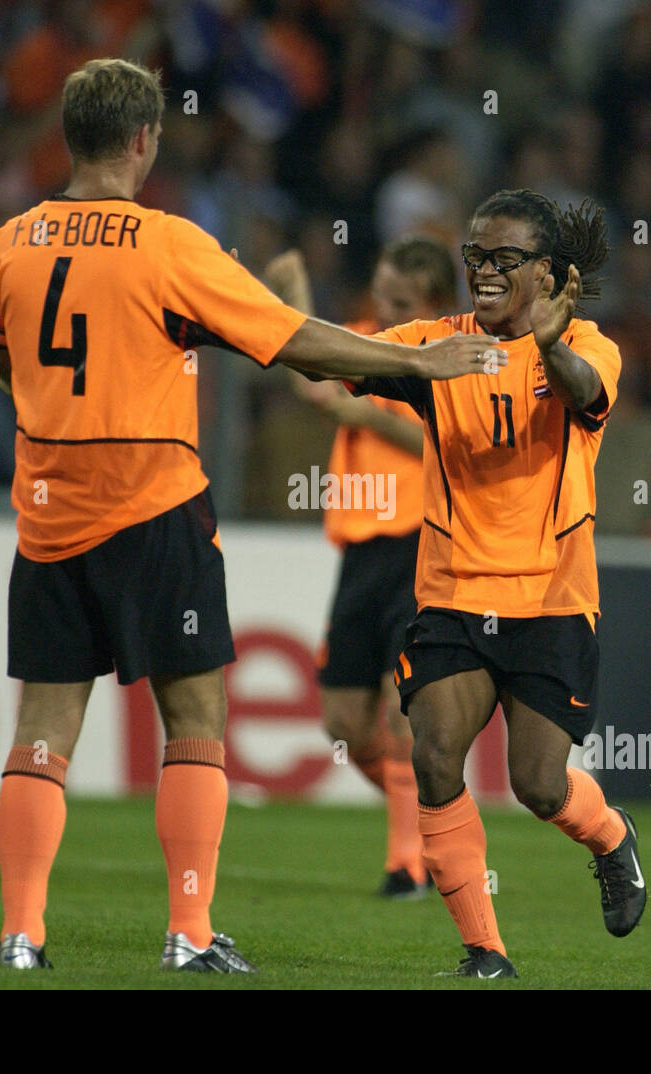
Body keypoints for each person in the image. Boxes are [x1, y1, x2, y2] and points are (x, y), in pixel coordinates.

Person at [0, 58, 501, 975]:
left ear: (71, 137)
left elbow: (1, 367)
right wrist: (415, 363)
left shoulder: (6, 246)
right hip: (154, 508)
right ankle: (190, 931)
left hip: (48, 517)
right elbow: (293, 339)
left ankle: (21, 934)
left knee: (44, 727)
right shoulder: (170, 245)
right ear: (143, 140)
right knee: (196, 716)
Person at [343, 189, 646, 977]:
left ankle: (610, 835)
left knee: (538, 785)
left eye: (502, 260)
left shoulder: (588, 343)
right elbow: (341, 356)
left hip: (551, 596)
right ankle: (486, 951)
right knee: (437, 754)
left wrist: (549, 347)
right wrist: (259, 328)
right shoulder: (439, 345)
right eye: (474, 256)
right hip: (450, 592)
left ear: (546, 273)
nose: (482, 271)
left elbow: (585, 390)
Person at [267, 237, 458, 897]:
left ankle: (407, 862)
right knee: (344, 722)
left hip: (418, 543)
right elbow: (307, 373)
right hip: (360, 548)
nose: (385, 308)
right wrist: (293, 285)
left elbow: (446, 447)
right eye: (381, 294)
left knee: (404, 714)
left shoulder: (443, 358)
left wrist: (365, 414)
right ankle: (434, 824)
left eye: (401, 301)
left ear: (434, 306)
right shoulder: (365, 342)